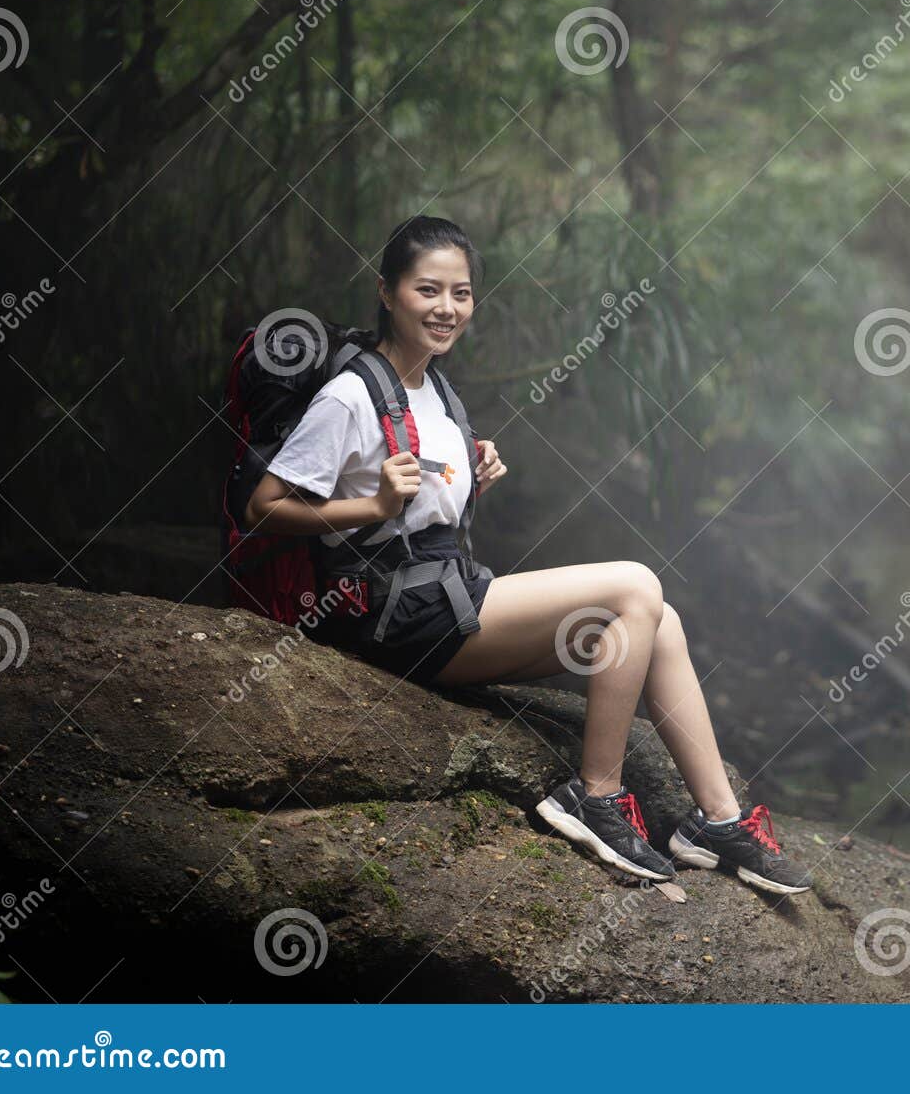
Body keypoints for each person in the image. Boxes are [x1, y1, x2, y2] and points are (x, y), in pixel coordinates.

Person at [243, 215, 812, 895]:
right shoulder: (349, 395)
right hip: (393, 619)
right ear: (388, 292)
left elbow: (422, 505)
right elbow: (264, 507)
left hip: (445, 598)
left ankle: (716, 821)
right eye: (428, 290)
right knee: (636, 586)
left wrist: (466, 473)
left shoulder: (435, 391)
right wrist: (370, 507)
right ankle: (594, 797)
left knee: (662, 624)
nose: (447, 308)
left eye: (461, 293)